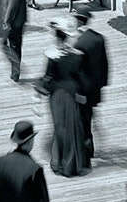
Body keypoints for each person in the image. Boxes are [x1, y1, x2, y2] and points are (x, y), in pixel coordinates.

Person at [37, 22, 90, 177]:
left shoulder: (52, 56)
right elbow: (81, 77)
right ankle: (73, 163)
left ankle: (60, 162)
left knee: (59, 127)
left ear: (56, 37)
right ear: (67, 37)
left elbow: (48, 78)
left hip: (58, 95)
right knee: (73, 126)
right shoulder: (77, 55)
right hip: (72, 93)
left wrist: (39, 90)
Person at [72, 6, 109, 160]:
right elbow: (106, 65)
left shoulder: (79, 44)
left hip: (83, 92)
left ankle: (87, 150)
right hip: (96, 89)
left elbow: (77, 71)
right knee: (89, 118)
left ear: (78, 21)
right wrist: (101, 85)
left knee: (83, 122)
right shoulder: (99, 38)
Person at [0, 0, 28, 82]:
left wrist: (7, 20)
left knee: (10, 45)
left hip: (14, 21)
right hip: (20, 19)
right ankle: (15, 70)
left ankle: (16, 70)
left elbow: (13, 5)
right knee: (15, 45)